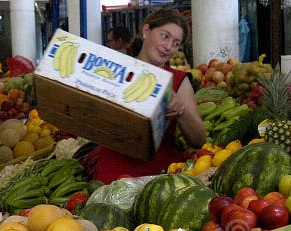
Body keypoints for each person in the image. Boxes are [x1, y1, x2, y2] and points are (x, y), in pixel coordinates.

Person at [84, 9, 206, 184]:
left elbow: (199, 140)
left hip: (159, 174)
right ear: (146, 30)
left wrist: (181, 110)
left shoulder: (178, 81)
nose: (169, 46)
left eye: (176, 43)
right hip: (114, 169)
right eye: (165, 36)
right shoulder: (115, 70)